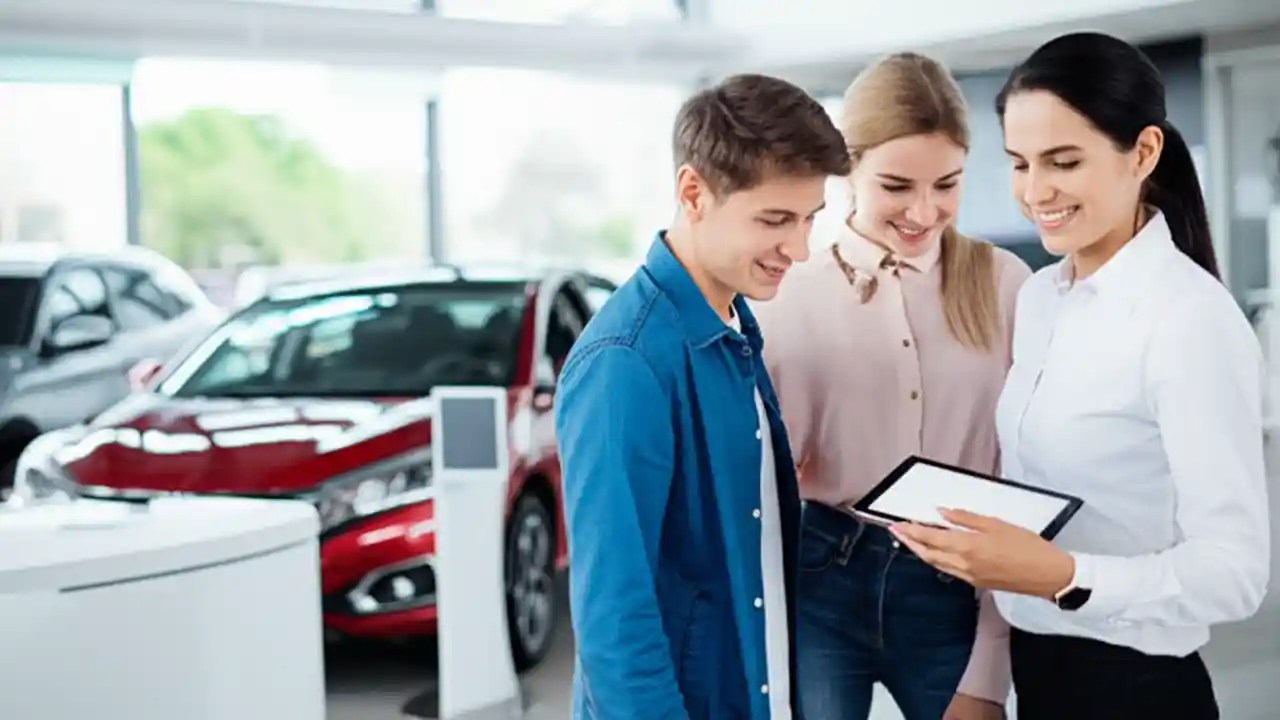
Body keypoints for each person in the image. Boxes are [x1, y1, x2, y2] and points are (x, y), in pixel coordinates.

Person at [890, 32, 1270, 720]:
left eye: (1063, 162)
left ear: (1144, 153)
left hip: (1138, 689)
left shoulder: (1188, 320)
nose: (1036, 193)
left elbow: (1235, 575)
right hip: (1042, 673)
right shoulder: (1041, 298)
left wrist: (1062, 576)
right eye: (1018, 164)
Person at [554, 73, 851, 719]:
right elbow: (614, 619)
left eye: (809, 219)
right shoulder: (625, 363)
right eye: (775, 220)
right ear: (693, 192)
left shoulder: (731, 322)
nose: (799, 249)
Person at [753, 52, 1031, 720]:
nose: (924, 210)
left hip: (955, 584)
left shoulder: (1007, 285)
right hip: (820, 575)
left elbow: (1018, 474)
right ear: (847, 170)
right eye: (897, 185)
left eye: (948, 184)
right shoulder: (786, 292)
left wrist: (990, 673)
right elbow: (763, 481)